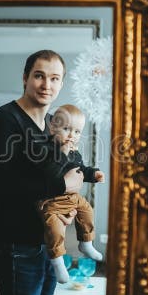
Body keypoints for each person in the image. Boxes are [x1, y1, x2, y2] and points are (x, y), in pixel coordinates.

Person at [0, 49, 84, 295]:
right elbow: (8, 188)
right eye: (39, 76)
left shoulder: (55, 125)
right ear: (25, 77)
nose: (46, 85)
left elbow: (66, 172)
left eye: (54, 78)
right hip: (18, 245)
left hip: (50, 245)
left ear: (61, 84)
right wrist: (63, 187)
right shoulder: (5, 120)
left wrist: (67, 209)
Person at [35, 104, 105, 284]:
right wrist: (62, 155)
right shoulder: (47, 150)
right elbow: (49, 175)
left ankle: (86, 243)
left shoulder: (75, 153)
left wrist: (93, 174)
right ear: (53, 128)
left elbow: (81, 170)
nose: (71, 136)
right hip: (51, 202)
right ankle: (57, 260)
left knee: (87, 211)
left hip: (72, 198)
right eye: (66, 129)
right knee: (55, 230)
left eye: (77, 132)